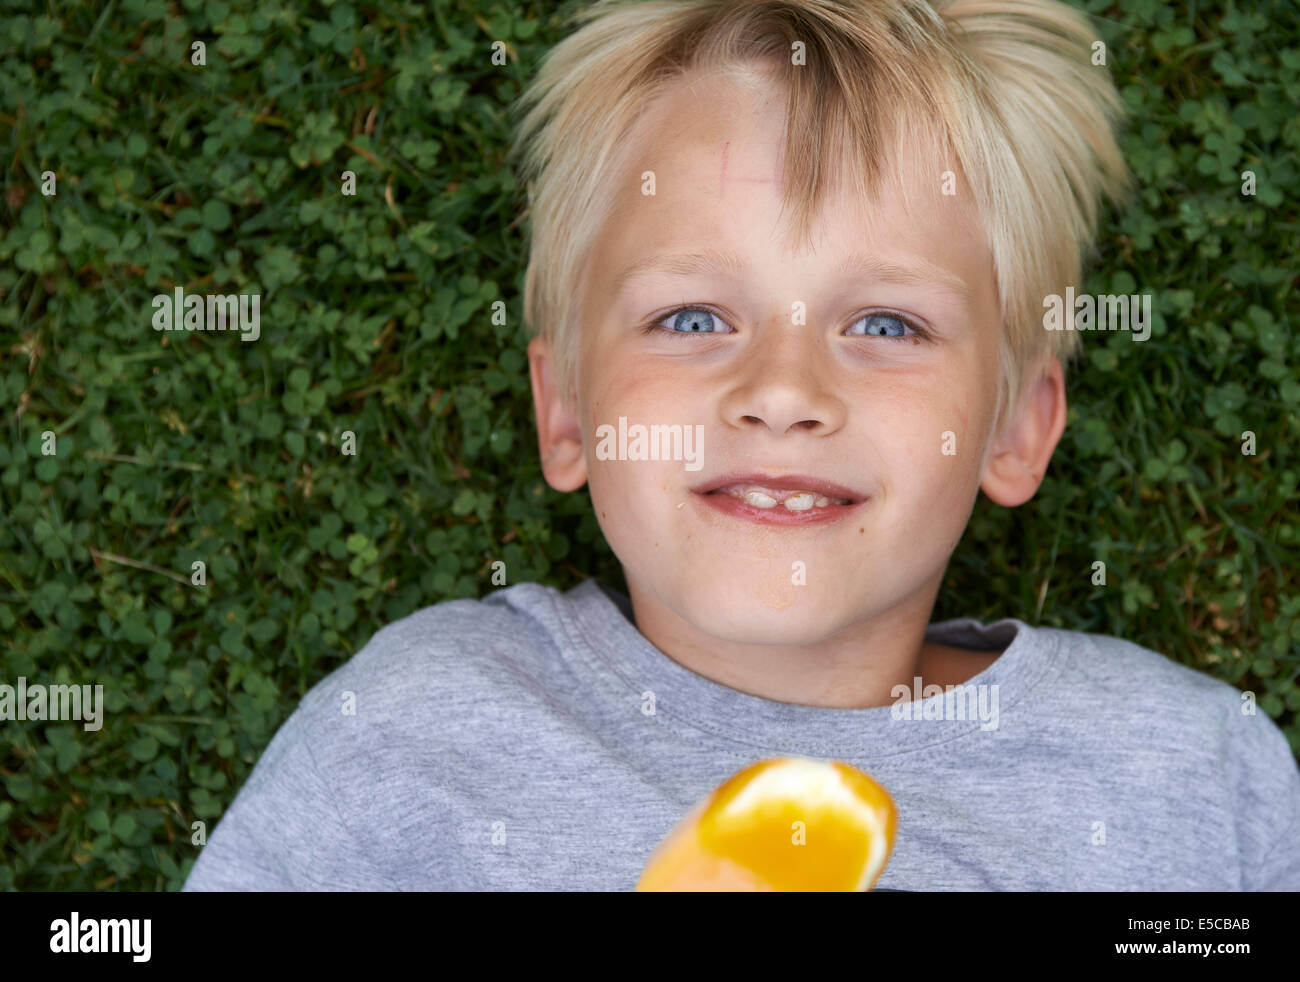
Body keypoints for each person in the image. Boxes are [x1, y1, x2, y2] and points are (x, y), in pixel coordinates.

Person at [183, 0, 1300, 891]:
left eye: (885, 324)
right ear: (565, 409)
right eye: (692, 318)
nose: (781, 390)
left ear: (1012, 430)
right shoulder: (418, 730)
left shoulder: (1185, 767)